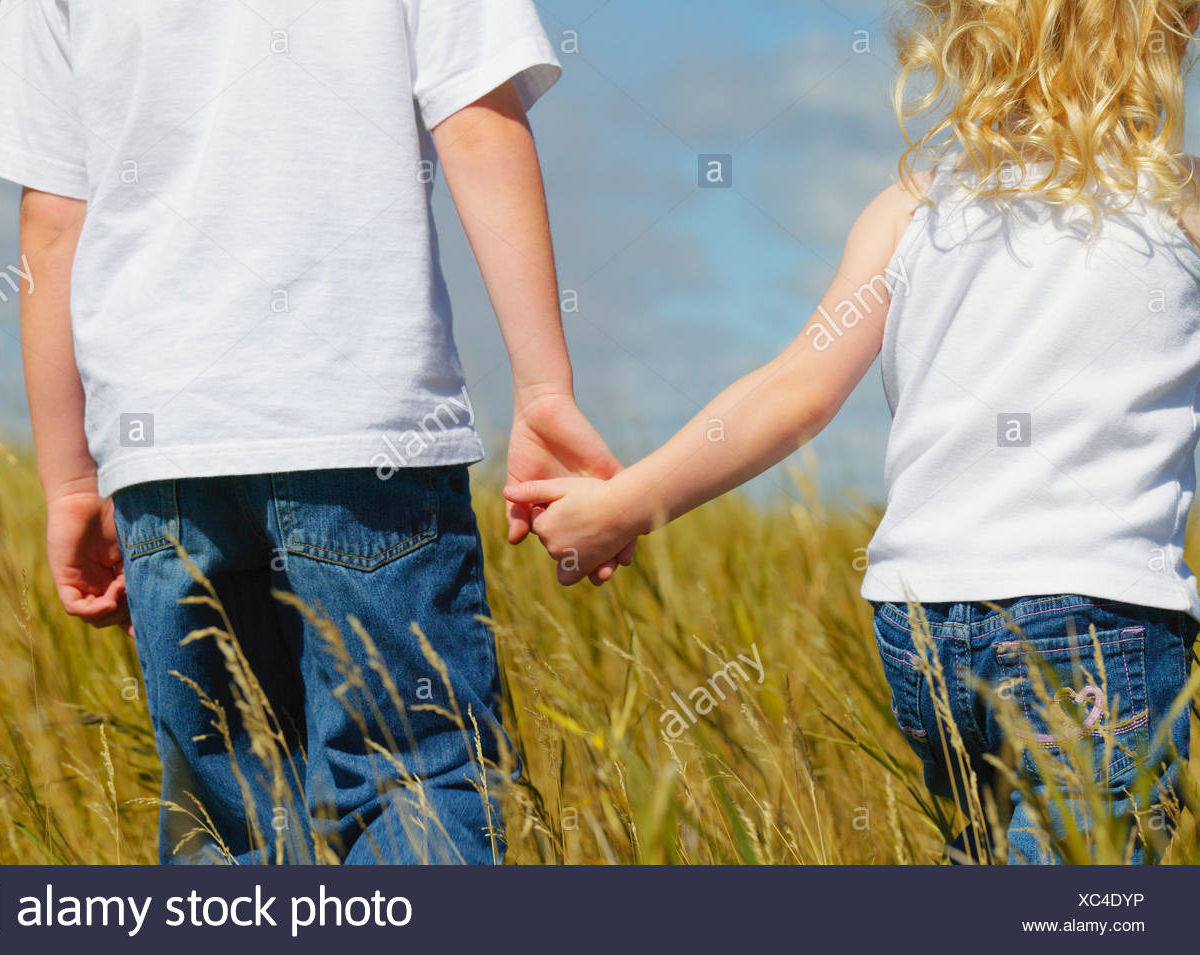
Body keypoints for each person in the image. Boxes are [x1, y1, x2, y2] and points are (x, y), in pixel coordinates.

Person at [507, 0, 1200, 863]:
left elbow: (794, 392)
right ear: (1166, 35)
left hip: (922, 628)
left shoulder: (915, 206)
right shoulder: (1182, 204)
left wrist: (624, 502)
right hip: (1096, 627)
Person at [0, 0, 632, 865]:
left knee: (230, 817)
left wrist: (72, 483)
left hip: (167, 453)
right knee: (412, 781)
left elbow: (52, 221)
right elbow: (477, 123)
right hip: (367, 435)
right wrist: (541, 389)